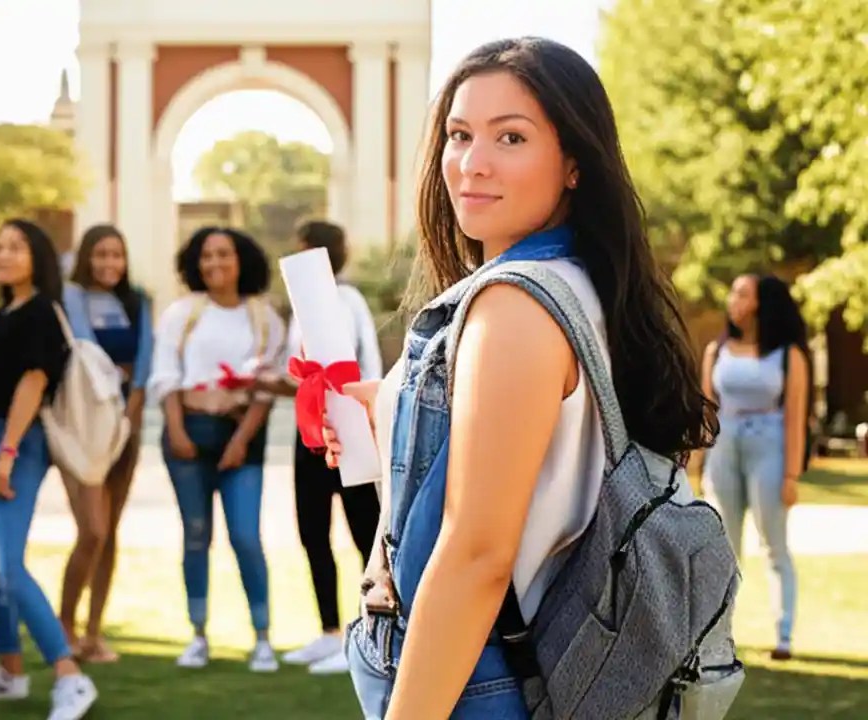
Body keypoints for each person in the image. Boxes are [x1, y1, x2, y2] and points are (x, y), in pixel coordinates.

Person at [324, 38, 718, 718]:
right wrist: (392, 411)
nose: (472, 163)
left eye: (511, 137)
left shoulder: (513, 306)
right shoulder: (587, 284)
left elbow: (477, 555)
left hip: (479, 675)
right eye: (459, 135)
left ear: (574, 163)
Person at [0, 218, 98, 720]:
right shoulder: (7, 310)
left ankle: (70, 677)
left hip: (14, 441)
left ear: (38, 258)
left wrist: (7, 453)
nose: (4, 255)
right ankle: (9, 673)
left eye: (16, 247)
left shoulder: (40, 312)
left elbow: (33, 383)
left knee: (5, 564)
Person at [148, 226, 285, 672]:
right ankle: (198, 635)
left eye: (224, 254)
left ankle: (262, 638)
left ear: (242, 259)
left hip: (241, 435)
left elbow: (265, 390)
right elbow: (165, 376)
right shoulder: (182, 313)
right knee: (195, 535)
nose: (214, 264)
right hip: (189, 432)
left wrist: (241, 441)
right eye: (206, 256)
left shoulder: (264, 317)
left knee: (245, 535)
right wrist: (177, 432)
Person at [263, 221, 383, 675]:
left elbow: (362, 361)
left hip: (349, 427)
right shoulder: (300, 305)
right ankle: (329, 630)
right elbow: (298, 368)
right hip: (311, 430)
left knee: (363, 533)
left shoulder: (348, 299)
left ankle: (369, 631)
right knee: (313, 531)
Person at [58, 224, 154, 663]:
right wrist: (114, 399)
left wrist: (131, 413)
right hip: (86, 425)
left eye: (117, 255)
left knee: (111, 532)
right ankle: (64, 627)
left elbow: (146, 361)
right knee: (91, 530)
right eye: (101, 255)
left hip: (125, 426)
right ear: (86, 258)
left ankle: (94, 633)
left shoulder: (138, 301)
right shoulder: (71, 297)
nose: (109, 263)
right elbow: (86, 351)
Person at [702, 273, 809, 661]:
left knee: (774, 544)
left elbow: (796, 418)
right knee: (723, 548)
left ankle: (784, 635)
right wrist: (696, 464)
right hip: (724, 447)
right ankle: (718, 635)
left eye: (742, 294)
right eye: (733, 293)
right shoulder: (717, 350)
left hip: (770, 446)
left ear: (762, 303)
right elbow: (705, 411)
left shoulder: (789, 356)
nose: (733, 300)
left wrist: (791, 475)